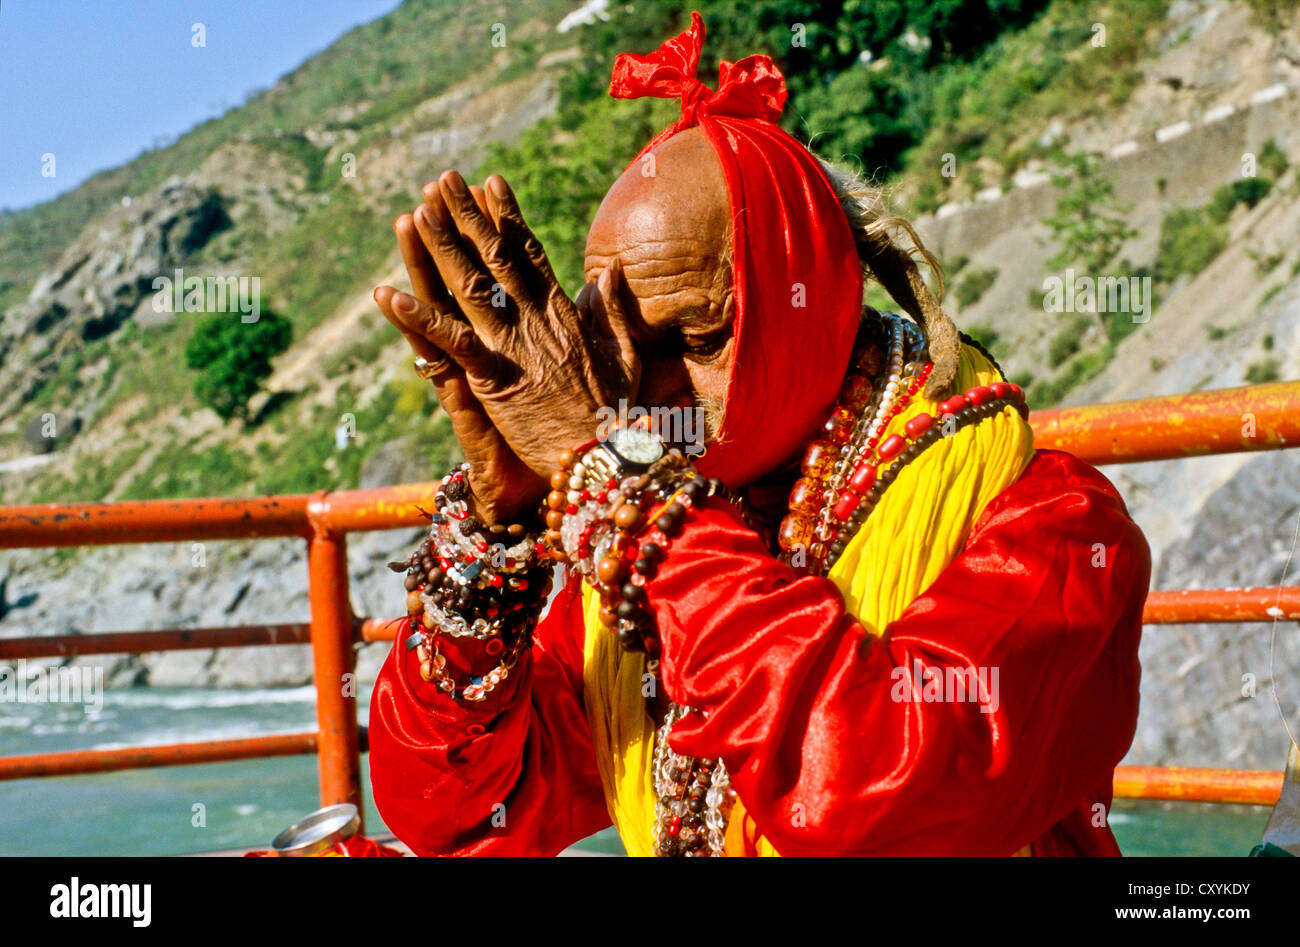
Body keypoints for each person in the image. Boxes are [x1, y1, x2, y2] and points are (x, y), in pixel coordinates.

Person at [367, 13, 1149, 857]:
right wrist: (499, 531)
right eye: (617, 350)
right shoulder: (638, 574)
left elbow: (875, 793)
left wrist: (619, 492)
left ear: (811, 308)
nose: (641, 391)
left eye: (697, 339)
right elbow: (462, 811)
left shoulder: (1055, 530)